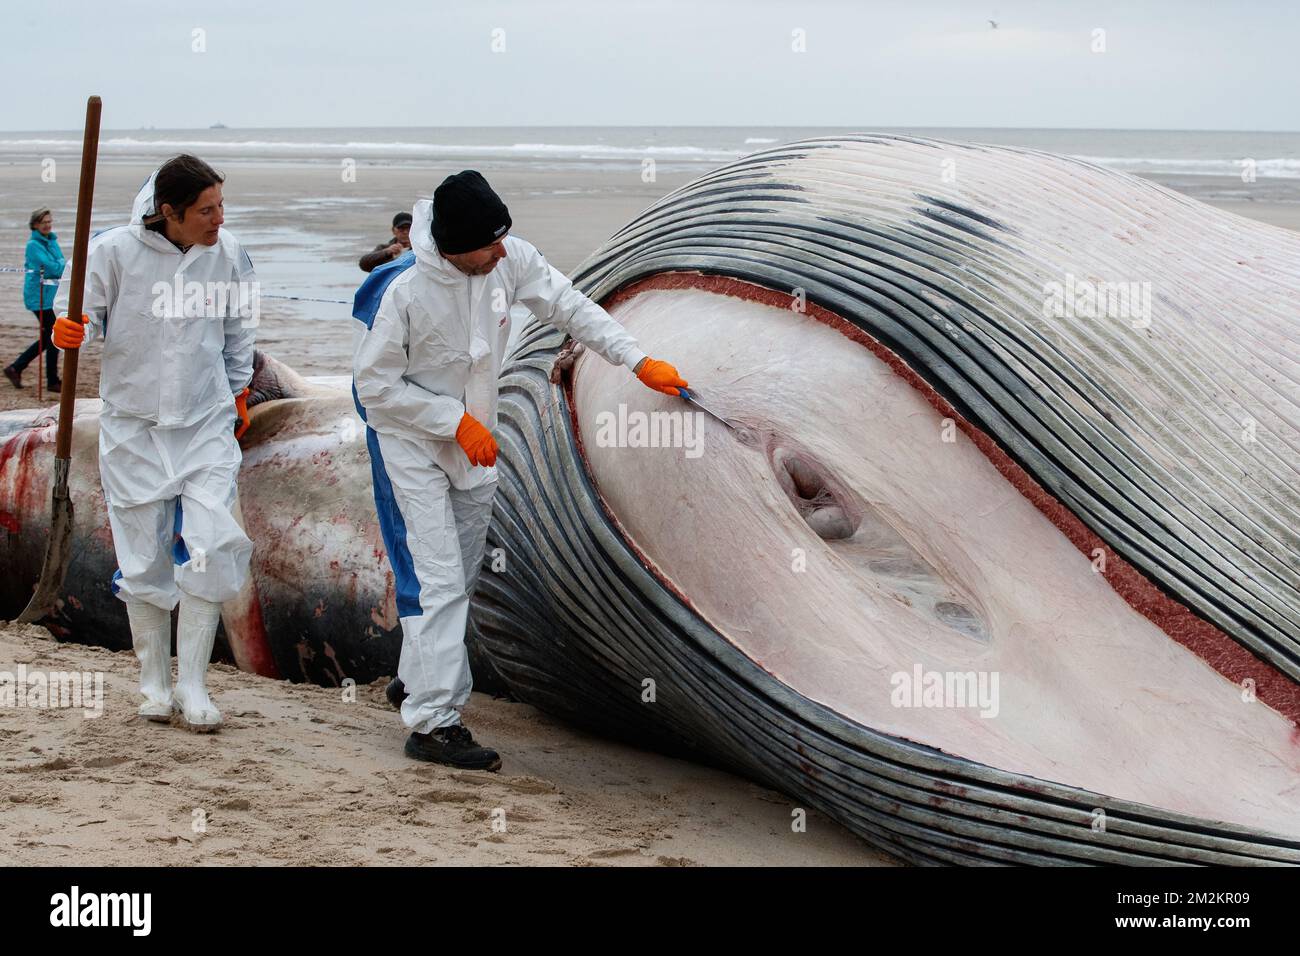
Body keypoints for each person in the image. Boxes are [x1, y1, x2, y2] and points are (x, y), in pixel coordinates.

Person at [353, 170, 688, 770]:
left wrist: (638, 361)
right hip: (414, 446)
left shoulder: (507, 258)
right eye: (490, 243)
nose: (503, 250)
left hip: (478, 445)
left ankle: (414, 678)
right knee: (435, 579)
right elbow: (373, 387)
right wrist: (449, 420)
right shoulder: (404, 292)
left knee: (459, 574)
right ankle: (433, 723)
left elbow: (569, 305)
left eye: (505, 236)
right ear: (454, 247)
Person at [53, 154, 256, 733]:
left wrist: (239, 390)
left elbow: (241, 326)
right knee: (142, 559)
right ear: (169, 212)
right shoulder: (113, 251)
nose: (219, 218)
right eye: (206, 210)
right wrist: (71, 330)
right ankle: (154, 686)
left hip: (205, 423)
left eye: (221, 205)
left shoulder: (229, 253)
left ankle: (194, 684)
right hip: (133, 427)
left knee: (212, 544)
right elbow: (81, 314)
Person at [5, 208, 66, 391]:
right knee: (53, 335)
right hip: (38, 296)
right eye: (43, 222)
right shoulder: (33, 245)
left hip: (51, 295)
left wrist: (60, 265)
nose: (47, 225)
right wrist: (60, 265)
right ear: (35, 225)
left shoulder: (52, 241)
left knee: (50, 334)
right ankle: (51, 380)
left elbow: (61, 263)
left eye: (49, 221)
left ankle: (16, 367)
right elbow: (53, 268)